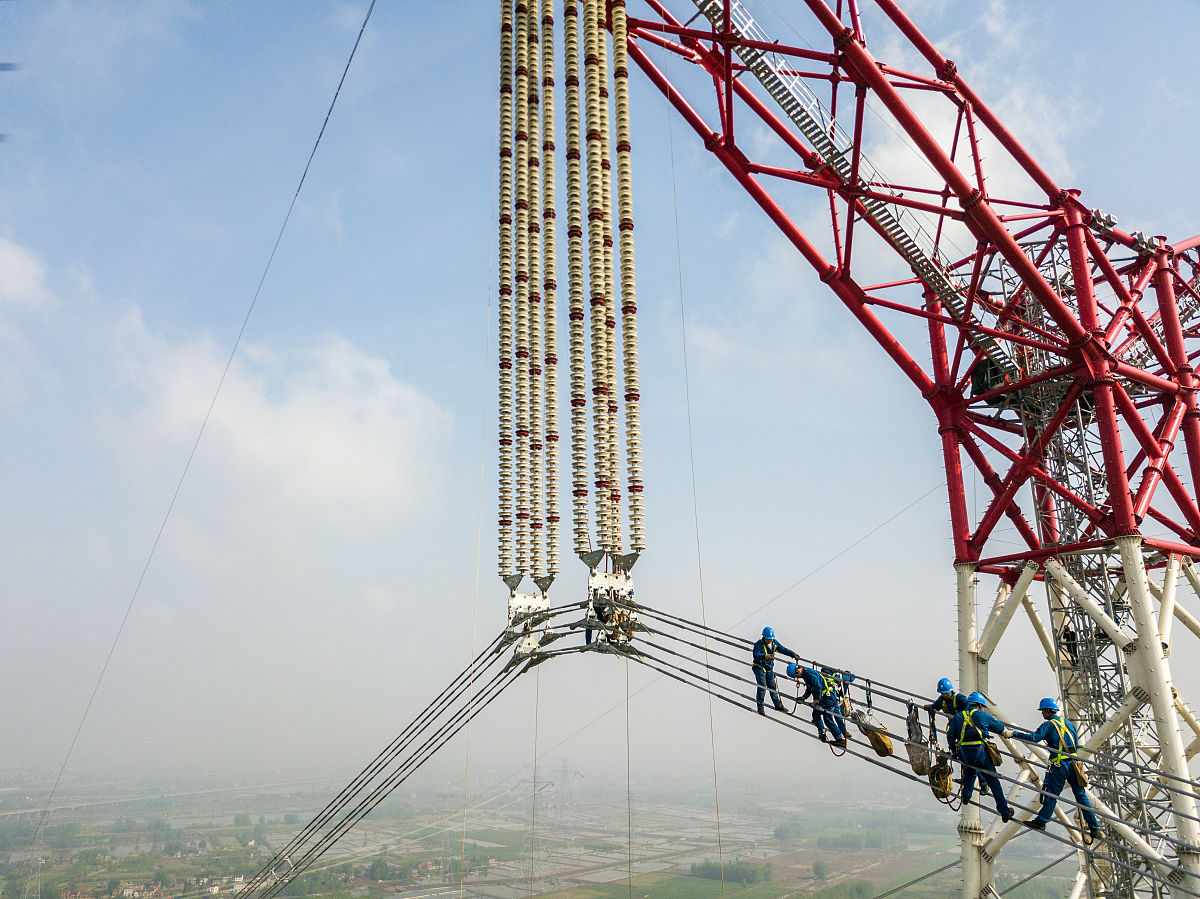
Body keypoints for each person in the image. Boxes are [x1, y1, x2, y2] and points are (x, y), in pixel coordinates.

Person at [1011, 697, 1102, 839]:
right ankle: (1095, 828)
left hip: (1059, 766)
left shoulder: (1048, 725)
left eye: (1043, 711)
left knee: (1051, 794)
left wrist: (1014, 734)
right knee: (1081, 796)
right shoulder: (1068, 724)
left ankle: (1041, 821)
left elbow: (1034, 738)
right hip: (1074, 764)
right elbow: (1076, 743)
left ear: (1048, 711)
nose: (1042, 714)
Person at [948, 692, 1014, 822]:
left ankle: (966, 797)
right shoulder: (981, 714)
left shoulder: (958, 717)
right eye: (983, 707)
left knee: (970, 772)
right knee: (994, 782)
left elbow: (950, 735)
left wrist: (954, 751)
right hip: (981, 753)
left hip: (964, 753)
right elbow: (1000, 728)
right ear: (979, 705)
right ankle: (1004, 811)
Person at [788, 663, 847, 746]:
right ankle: (821, 732)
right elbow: (810, 688)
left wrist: (816, 700)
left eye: (796, 675)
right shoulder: (805, 675)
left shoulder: (809, 674)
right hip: (823, 697)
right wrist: (804, 697)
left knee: (827, 718)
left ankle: (840, 739)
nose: (797, 677)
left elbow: (818, 687)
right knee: (815, 715)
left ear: (797, 670)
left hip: (828, 697)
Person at [751, 627, 799, 715]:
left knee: (772, 687)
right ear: (764, 637)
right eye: (768, 639)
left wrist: (793, 654)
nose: (769, 640)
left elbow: (783, 649)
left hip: (769, 668)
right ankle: (760, 707)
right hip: (759, 667)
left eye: (771, 639)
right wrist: (764, 657)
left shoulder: (774, 643)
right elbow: (755, 655)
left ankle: (778, 705)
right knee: (762, 686)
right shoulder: (758, 644)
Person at [925, 677, 969, 745]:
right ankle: (953, 752)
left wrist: (959, 717)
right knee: (950, 736)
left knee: (963, 740)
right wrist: (930, 707)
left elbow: (967, 710)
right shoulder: (942, 699)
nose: (944, 695)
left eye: (945, 693)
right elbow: (935, 706)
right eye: (942, 693)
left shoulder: (960, 698)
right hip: (953, 725)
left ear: (950, 691)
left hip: (963, 725)